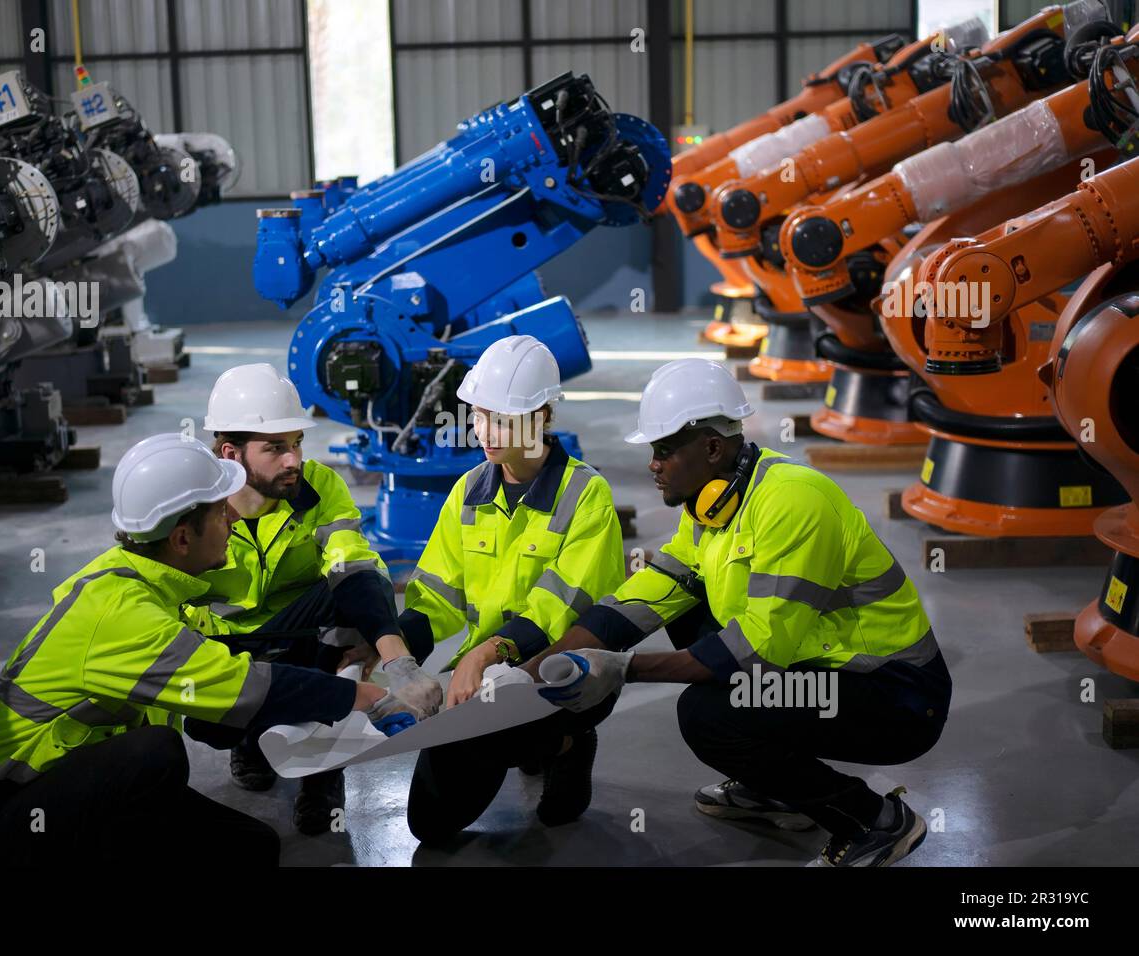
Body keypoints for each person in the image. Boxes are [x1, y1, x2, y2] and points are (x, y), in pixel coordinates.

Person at [527, 358, 951, 867]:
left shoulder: (794, 502)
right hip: (826, 670)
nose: (652, 464)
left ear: (712, 447)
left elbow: (757, 647)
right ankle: (776, 790)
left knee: (709, 716)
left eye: (664, 450)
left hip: (897, 695)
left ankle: (874, 819)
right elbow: (649, 593)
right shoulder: (713, 505)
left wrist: (625, 670)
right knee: (685, 608)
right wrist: (540, 665)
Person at [0, 433, 412, 866]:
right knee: (155, 751)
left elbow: (239, 634)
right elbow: (244, 687)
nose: (232, 517)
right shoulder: (122, 615)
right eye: (218, 512)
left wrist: (365, 641)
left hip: (75, 774)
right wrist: (370, 697)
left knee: (253, 847)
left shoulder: (149, 574)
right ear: (183, 538)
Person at [398, 335, 626, 842]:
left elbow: (562, 609)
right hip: (486, 673)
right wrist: (394, 647)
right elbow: (436, 592)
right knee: (429, 825)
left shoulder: (586, 496)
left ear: (544, 416)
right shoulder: (468, 491)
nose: (485, 431)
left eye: (503, 419)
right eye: (479, 415)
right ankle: (523, 742)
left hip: (565, 671)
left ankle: (568, 745)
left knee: (516, 731)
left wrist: (486, 653)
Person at [201, 363, 442, 834]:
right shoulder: (197, 503)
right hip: (227, 653)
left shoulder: (317, 487)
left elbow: (351, 566)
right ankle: (250, 734)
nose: (293, 460)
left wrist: (399, 665)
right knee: (210, 721)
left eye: (295, 444)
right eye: (275, 448)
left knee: (356, 582)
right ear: (230, 453)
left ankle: (323, 771)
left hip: (301, 638)